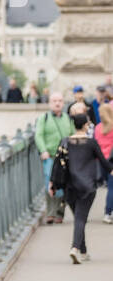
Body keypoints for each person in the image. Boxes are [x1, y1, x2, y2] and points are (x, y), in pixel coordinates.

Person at [50, 111, 113, 263]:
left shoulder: (64, 141)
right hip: (87, 186)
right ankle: (75, 248)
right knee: (80, 218)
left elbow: (57, 165)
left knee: (79, 217)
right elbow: (104, 163)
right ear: (85, 126)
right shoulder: (91, 143)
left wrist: (52, 183)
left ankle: (83, 252)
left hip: (69, 187)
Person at [35, 93, 74, 224]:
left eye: (60, 101)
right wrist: (43, 150)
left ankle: (59, 213)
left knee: (63, 184)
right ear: (50, 103)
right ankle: (50, 212)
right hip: (50, 156)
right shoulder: (43, 118)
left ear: (63, 103)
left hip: (65, 157)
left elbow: (73, 135)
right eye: (54, 101)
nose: (57, 103)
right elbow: (38, 135)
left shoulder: (68, 119)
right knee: (49, 182)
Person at [93, 95, 113, 225]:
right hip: (112, 161)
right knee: (112, 189)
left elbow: (96, 145)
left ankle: (108, 212)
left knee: (109, 188)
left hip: (101, 162)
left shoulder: (98, 128)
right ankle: (107, 212)